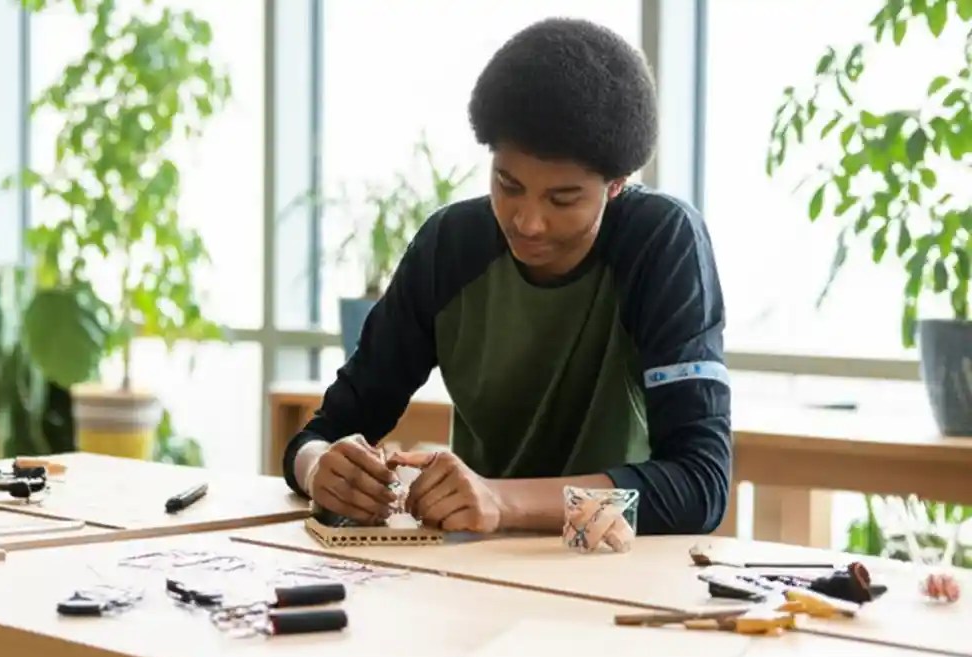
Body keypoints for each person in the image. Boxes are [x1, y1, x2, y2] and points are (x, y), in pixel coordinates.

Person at [282, 17, 732, 537]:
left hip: (613, 565)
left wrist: (502, 501)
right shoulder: (449, 246)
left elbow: (700, 485)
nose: (527, 221)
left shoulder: (661, 242)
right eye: (508, 183)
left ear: (616, 185)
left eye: (562, 199)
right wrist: (320, 469)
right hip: (474, 562)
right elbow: (323, 431)